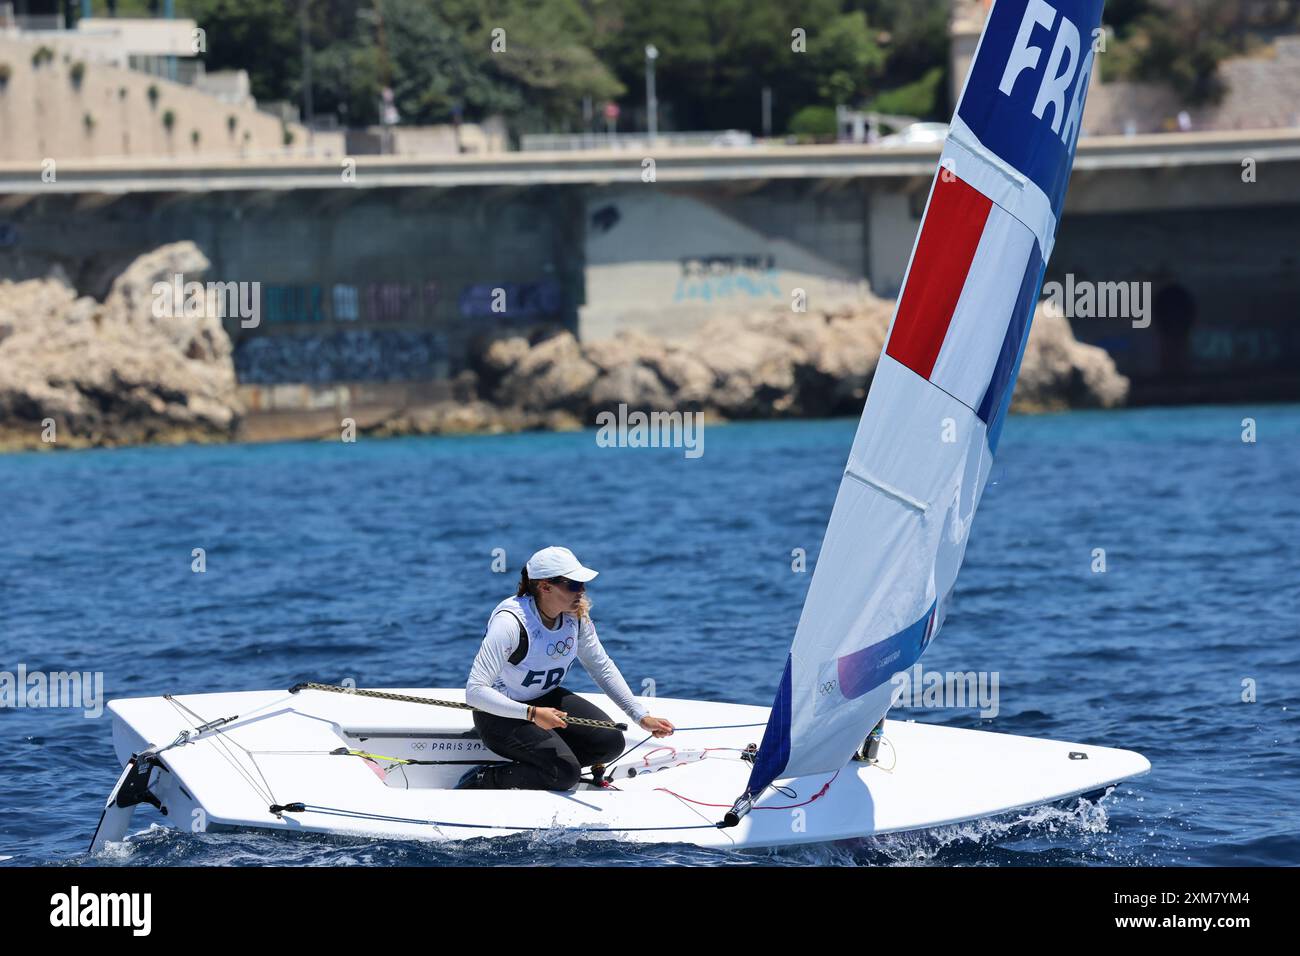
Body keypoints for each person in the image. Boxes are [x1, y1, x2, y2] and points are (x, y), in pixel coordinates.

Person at [458, 546, 674, 790]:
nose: (581, 590)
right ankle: (484, 779)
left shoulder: (575, 617)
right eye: (572, 584)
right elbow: (474, 692)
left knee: (610, 743)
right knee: (565, 774)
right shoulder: (510, 623)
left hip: (544, 701)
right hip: (500, 714)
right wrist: (531, 714)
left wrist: (640, 716)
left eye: (582, 583)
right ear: (545, 586)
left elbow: (601, 667)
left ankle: (545, 769)